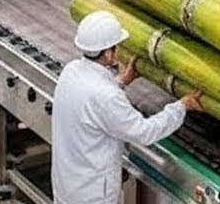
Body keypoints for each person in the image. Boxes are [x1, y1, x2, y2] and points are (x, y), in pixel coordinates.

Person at [52, 11, 202, 204]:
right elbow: (143, 132)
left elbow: (93, 101)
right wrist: (181, 106)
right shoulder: (106, 96)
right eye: (116, 47)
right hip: (92, 195)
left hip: (67, 186)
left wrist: (122, 80)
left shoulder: (71, 71)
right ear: (108, 53)